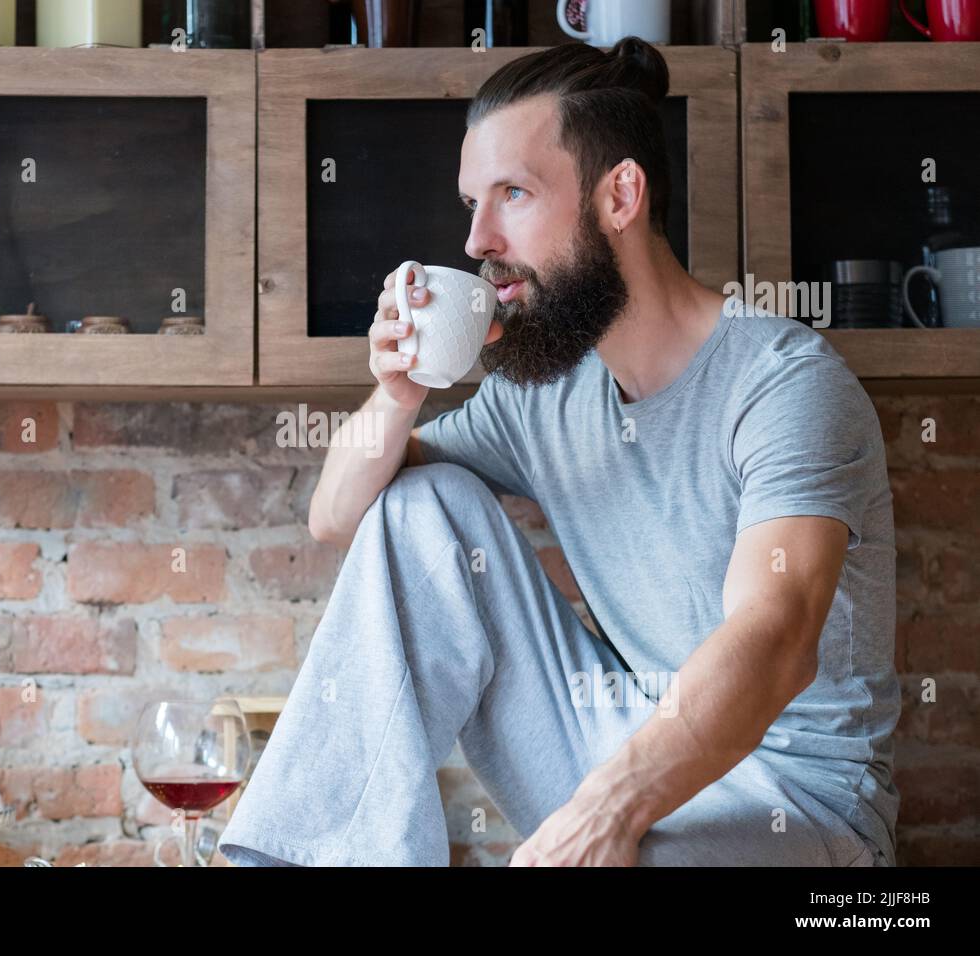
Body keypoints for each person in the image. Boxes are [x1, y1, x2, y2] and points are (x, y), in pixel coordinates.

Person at [216, 38, 899, 867]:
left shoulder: (784, 385)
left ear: (620, 195)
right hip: (620, 742)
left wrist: (606, 811)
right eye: (471, 202)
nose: (476, 239)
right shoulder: (543, 396)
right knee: (422, 505)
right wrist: (399, 396)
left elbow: (777, 637)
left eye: (513, 193)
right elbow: (339, 519)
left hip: (796, 804)